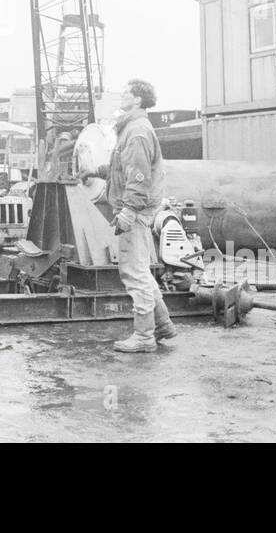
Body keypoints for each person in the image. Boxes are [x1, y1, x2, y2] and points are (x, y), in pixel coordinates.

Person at [96, 79, 178, 353]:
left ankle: (144, 336)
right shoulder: (131, 128)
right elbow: (122, 168)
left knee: (134, 273)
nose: (122, 95)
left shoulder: (137, 131)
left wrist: (128, 212)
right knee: (141, 270)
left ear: (139, 100)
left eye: (127, 92)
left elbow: (138, 177)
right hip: (138, 209)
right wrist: (93, 171)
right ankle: (163, 325)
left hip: (136, 210)